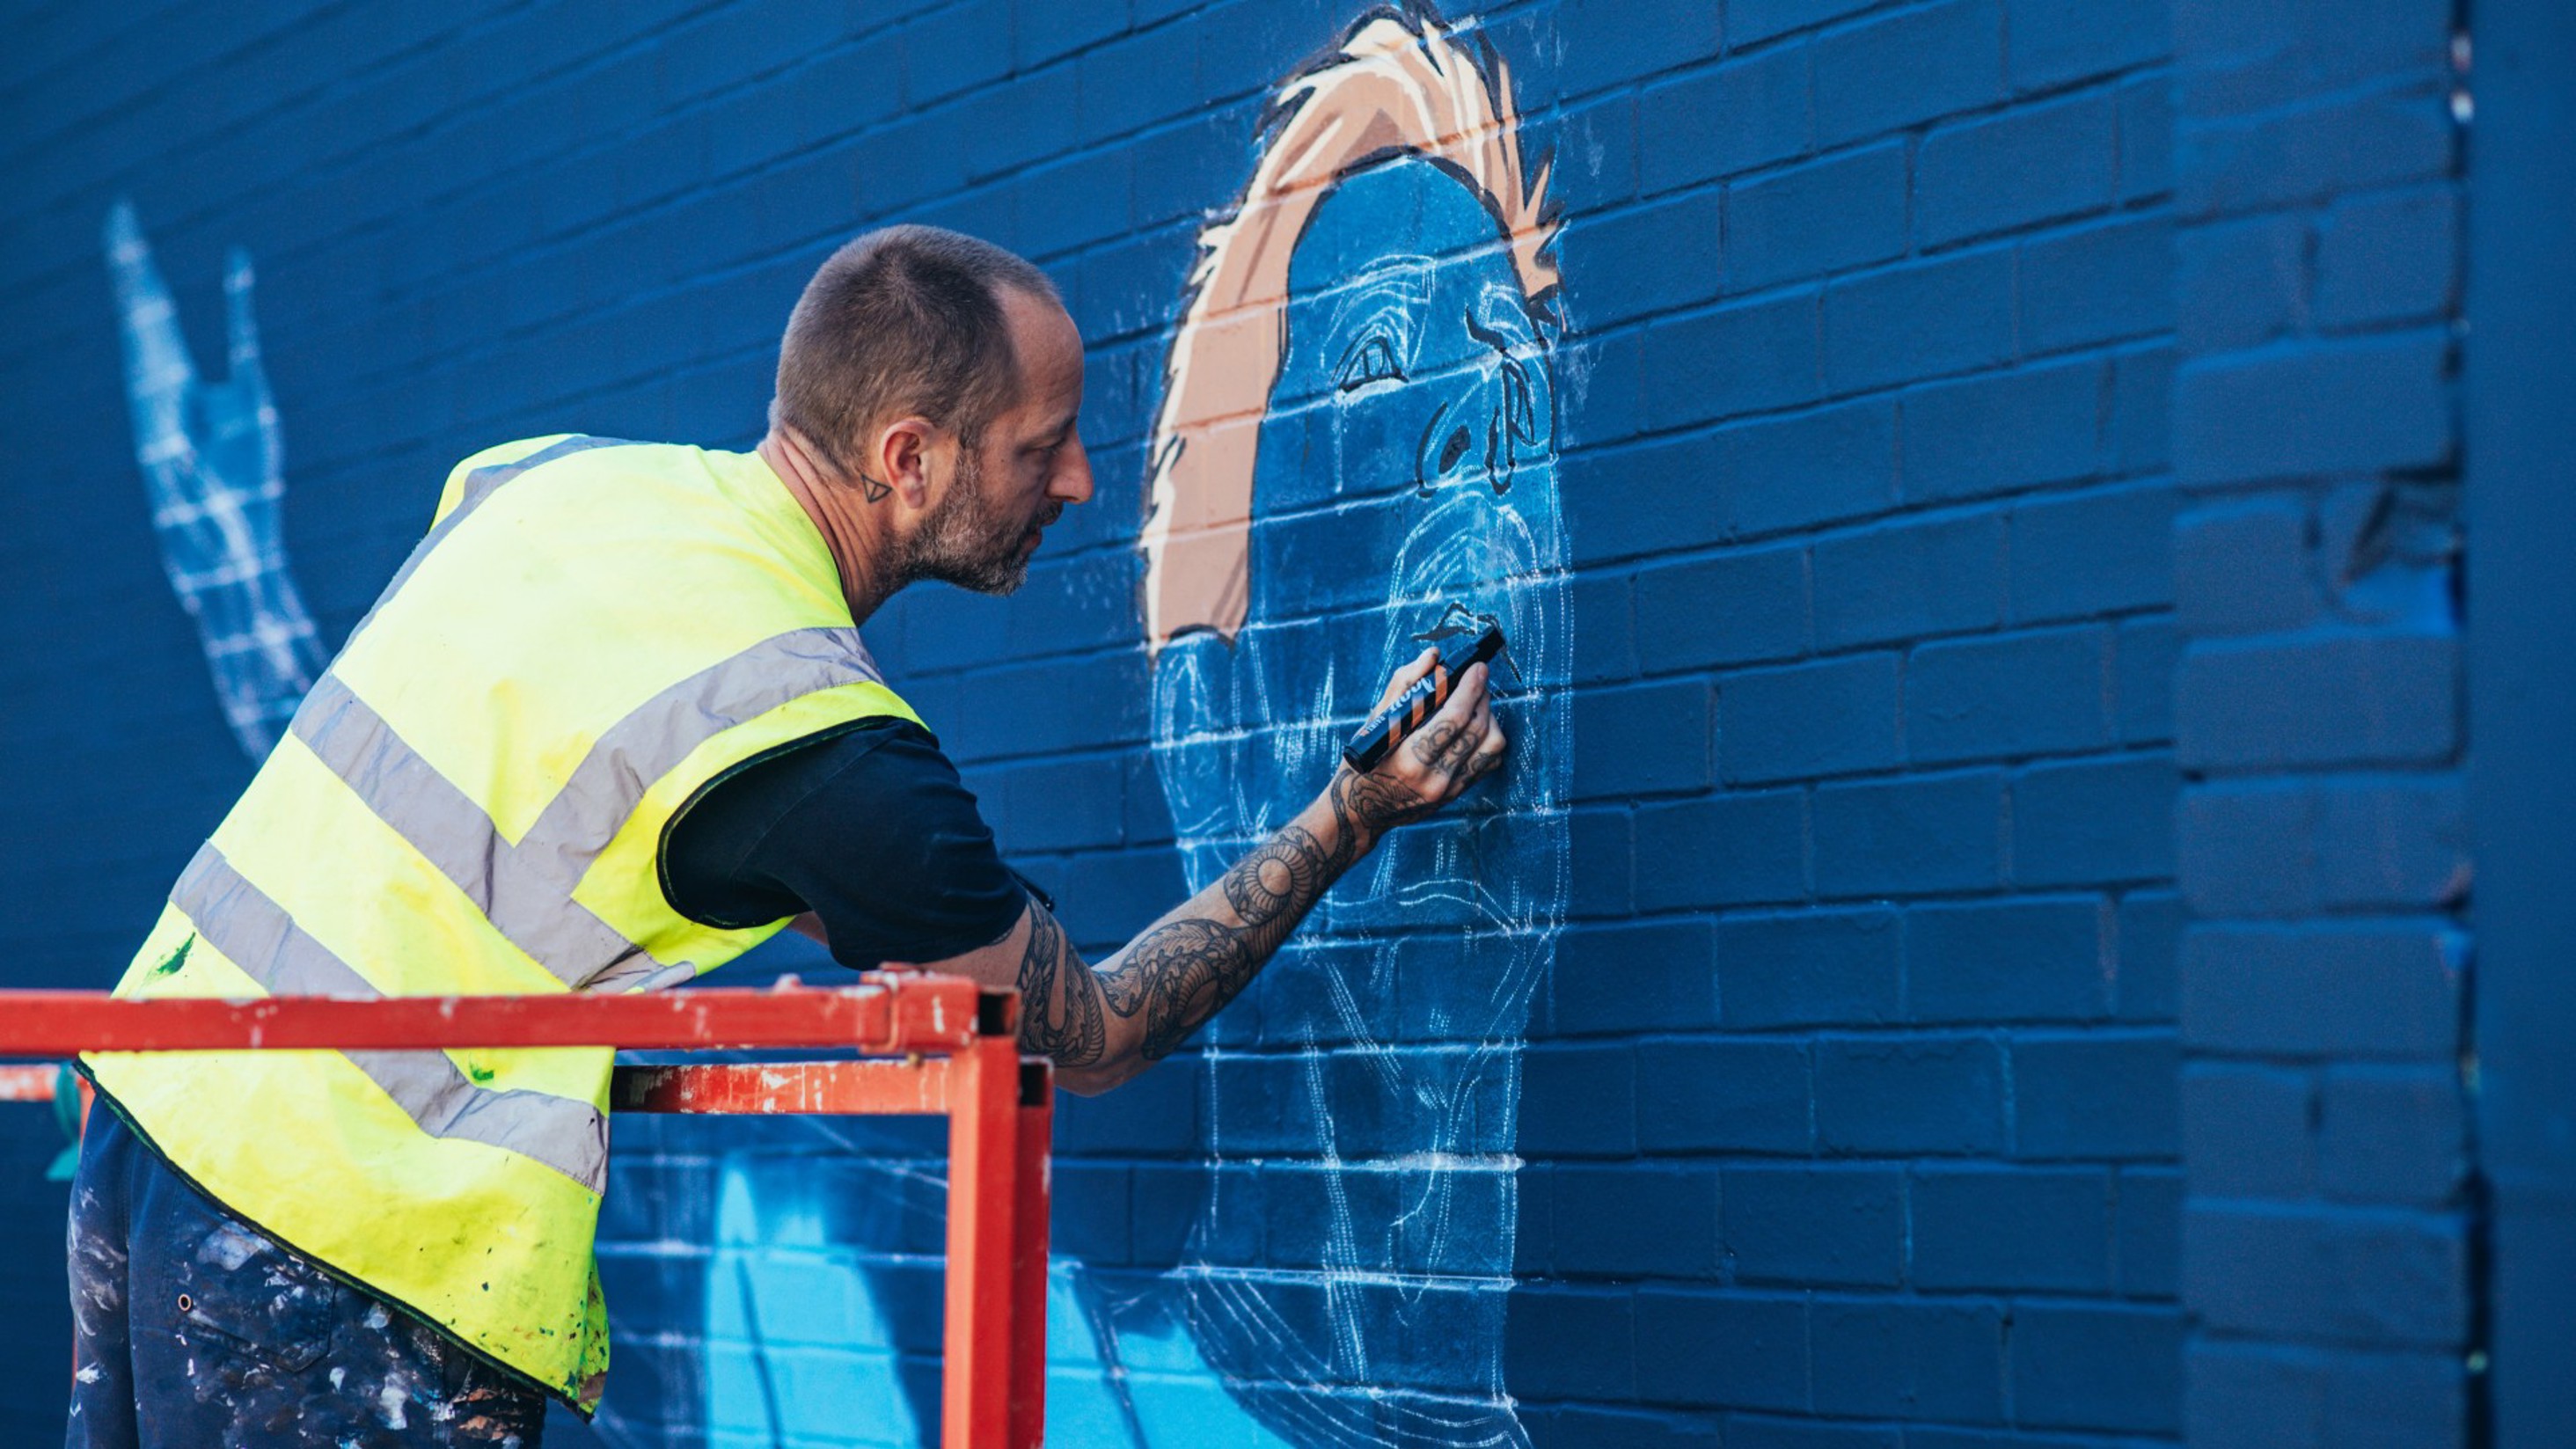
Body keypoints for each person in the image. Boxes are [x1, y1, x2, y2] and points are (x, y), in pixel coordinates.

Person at [65, 224, 1507, 1447]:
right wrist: (1351, 814)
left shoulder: (545, 482)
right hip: (330, 1249)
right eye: (1042, 444)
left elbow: (565, 802)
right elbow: (1102, 1030)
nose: (1076, 483)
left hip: (146, 1120)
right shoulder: (815, 743)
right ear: (908, 458)